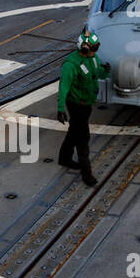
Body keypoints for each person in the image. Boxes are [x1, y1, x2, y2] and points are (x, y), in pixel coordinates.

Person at [56, 30, 110, 186]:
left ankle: (64, 158)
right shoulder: (71, 64)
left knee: (74, 131)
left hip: (87, 103)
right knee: (82, 137)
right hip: (76, 104)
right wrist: (61, 109)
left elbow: (97, 73)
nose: (94, 51)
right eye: (92, 48)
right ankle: (87, 174)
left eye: (95, 47)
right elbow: (63, 87)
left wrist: (105, 71)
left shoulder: (92, 58)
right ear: (84, 48)